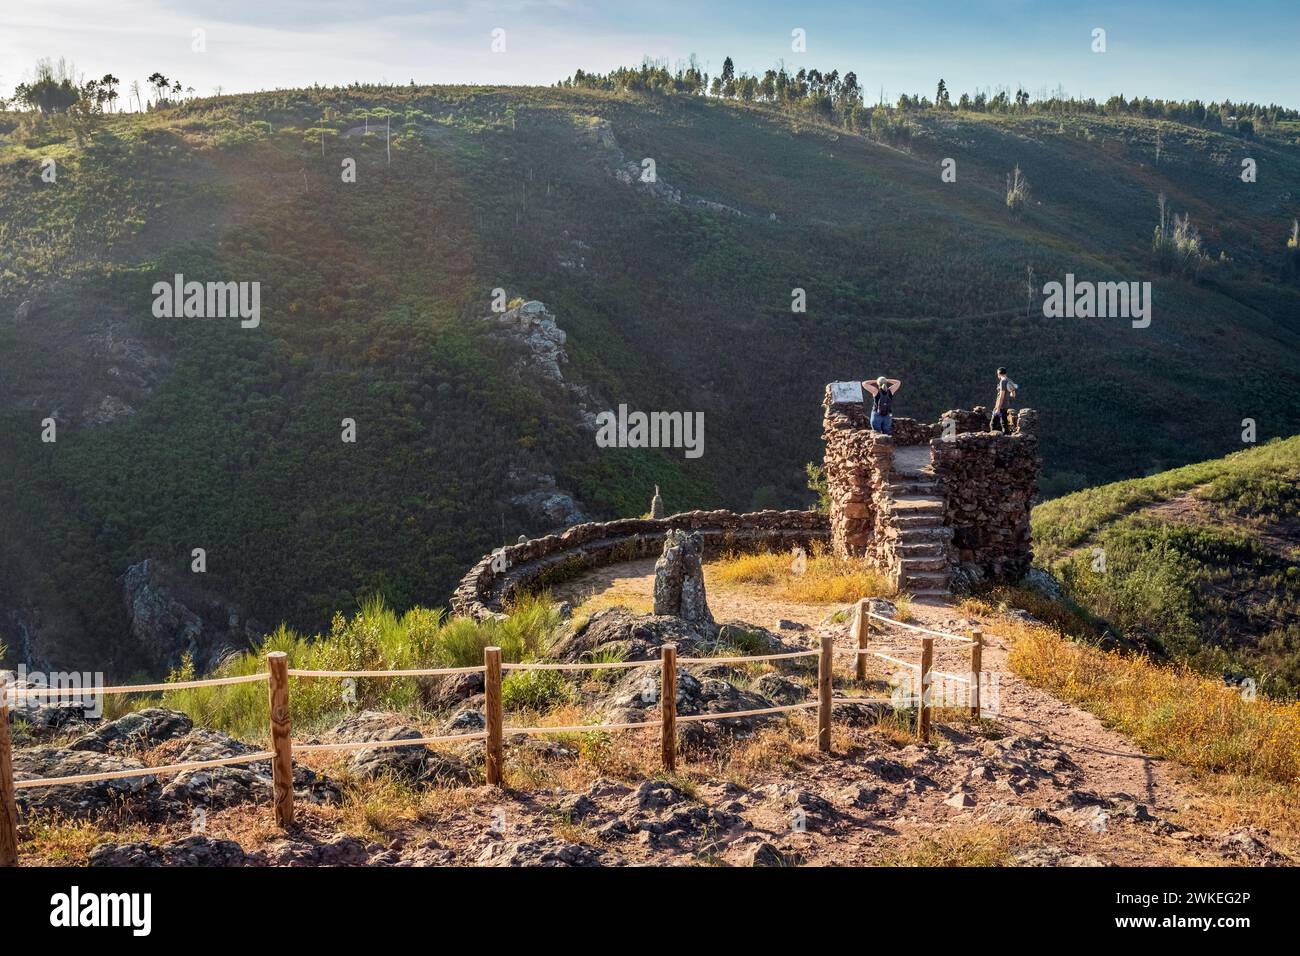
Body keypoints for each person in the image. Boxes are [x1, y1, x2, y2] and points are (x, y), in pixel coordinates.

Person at [990, 367, 1018, 433]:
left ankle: (994, 439)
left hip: (1000, 406)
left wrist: (998, 408)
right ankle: (1006, 437)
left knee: (993, 424)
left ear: (998, 374)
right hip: (1006, 405)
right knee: (1004, 423)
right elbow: (1013, 395)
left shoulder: (1003, 381)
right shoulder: (1010, 381)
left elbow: (1001, 396)